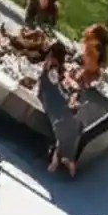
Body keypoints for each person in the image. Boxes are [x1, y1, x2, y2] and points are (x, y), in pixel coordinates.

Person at [38, 43, 81, 177]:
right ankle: (61, 158)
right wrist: (68, 98)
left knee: (69, 123)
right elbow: (54, 89)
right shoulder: (51, 70)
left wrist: (69, 97)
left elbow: (59, 88)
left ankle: (61, 158)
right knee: (64, 122)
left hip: (52, 99)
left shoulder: (54, 69)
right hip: (50, 100)